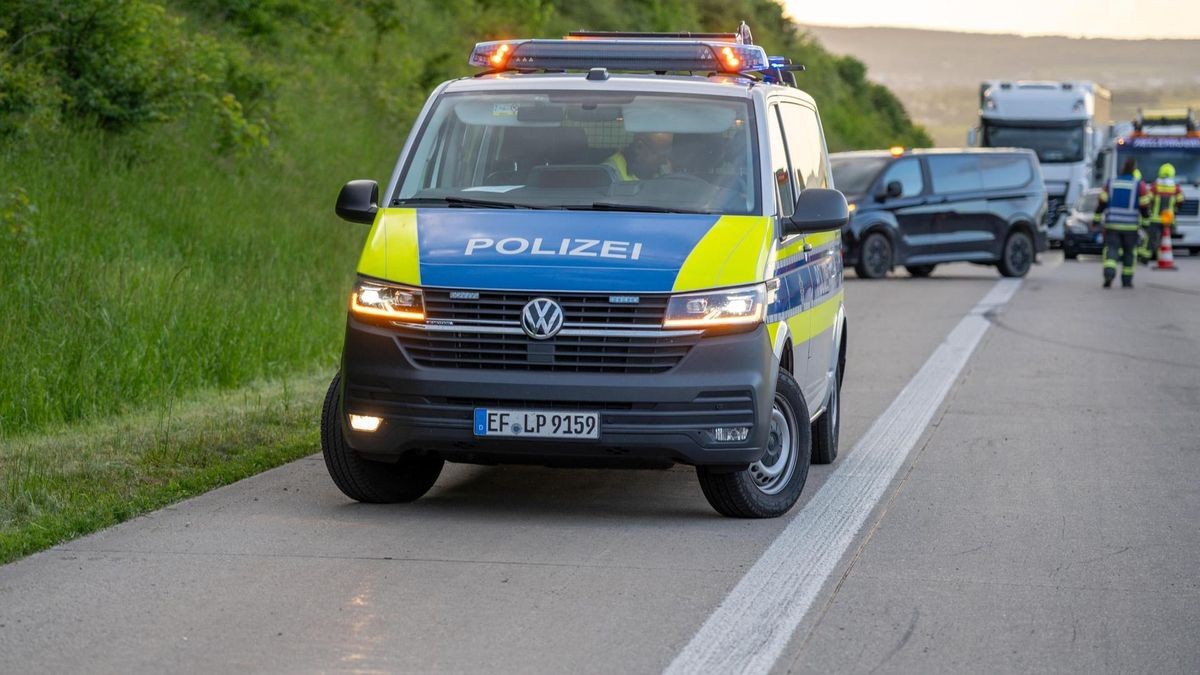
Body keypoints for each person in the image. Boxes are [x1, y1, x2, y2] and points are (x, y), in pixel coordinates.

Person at [1095, 158, 1150, 288]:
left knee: (1111, 251)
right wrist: (1146, 223)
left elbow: (1101, 203)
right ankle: (1127, 281)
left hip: (1112, 225)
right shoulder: (1139, 185)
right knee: (1129, 253)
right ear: (1134, 169)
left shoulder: (1111, 182)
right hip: (1131, 227)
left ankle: (1109, 274)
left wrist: (1096, 219)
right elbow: (1144, 206)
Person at [1139, 163, 1185, 263]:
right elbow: (1181, 201)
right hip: (1168, 220)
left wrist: (1148, 211)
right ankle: (1163, 257)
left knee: (1150, 239)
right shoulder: (1176, 188)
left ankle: (1145, 258)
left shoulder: (1155, 187)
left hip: (1155, 219)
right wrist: (1175, 211)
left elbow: (1147, 200)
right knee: (1165, 239)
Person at [604, 132, 672, 180]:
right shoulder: (609, 173)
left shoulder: (662, 169)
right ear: (639, 147)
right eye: (660, 156)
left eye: (667, 155)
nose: (664, 162)